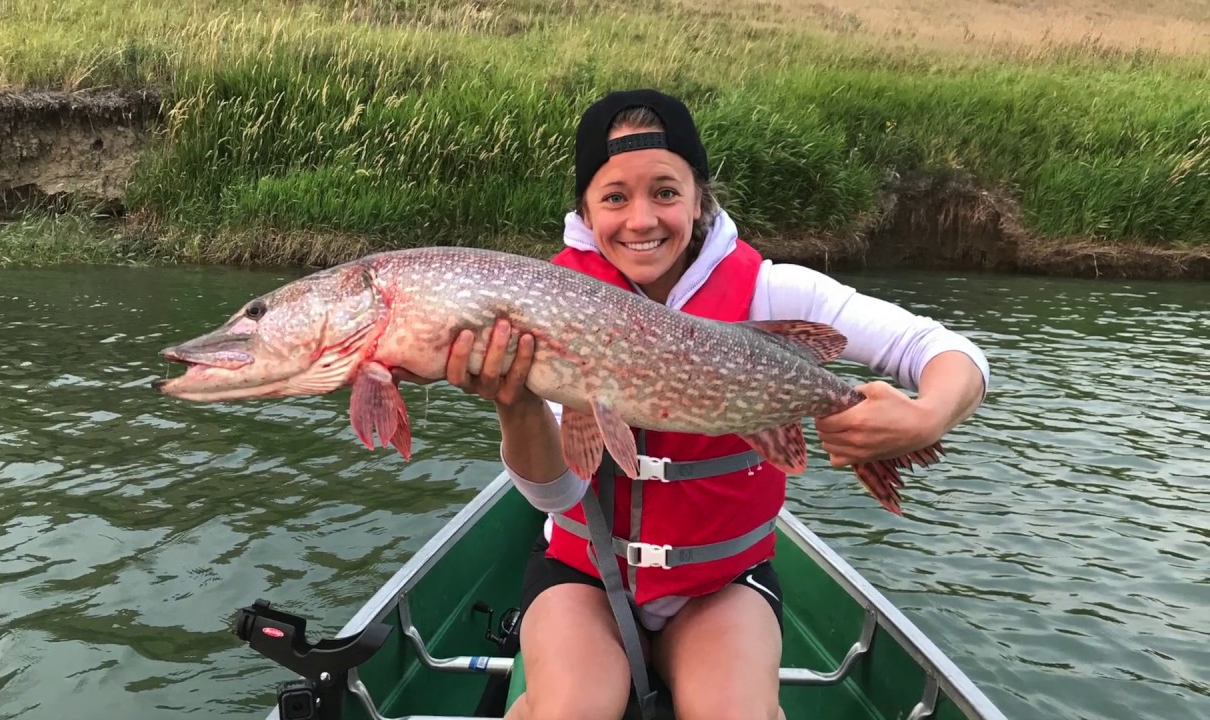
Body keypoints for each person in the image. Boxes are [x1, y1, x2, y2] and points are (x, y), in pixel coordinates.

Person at [402, 88, 990, 720]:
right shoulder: (545, 302)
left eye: (665, 191)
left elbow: (944, 350)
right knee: (567, 710)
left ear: (699, 197)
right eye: (614, 197)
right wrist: (514, 404)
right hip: (585, 573)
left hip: (720, 582)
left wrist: (928, 415)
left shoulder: (771, 289)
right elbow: (554, 498)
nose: (641, 219)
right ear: (585, 210)